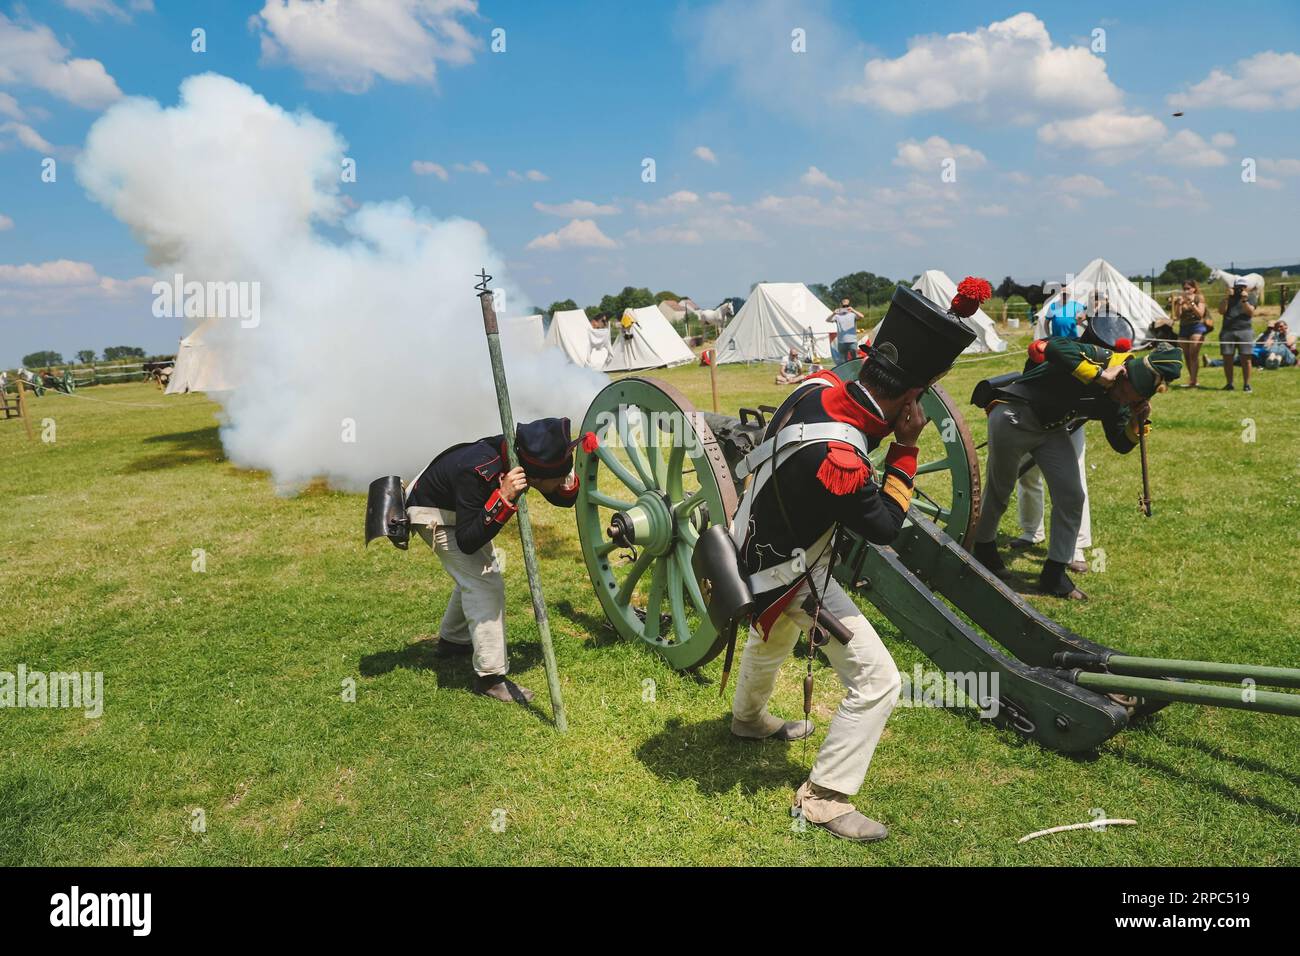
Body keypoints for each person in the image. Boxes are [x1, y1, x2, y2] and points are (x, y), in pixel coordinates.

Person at [729, 280, 984, 842]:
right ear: (912, 397)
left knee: (772, 637)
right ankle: (823, 800)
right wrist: (908, 447)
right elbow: (886, 527)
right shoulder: (840, 458)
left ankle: (747, 720)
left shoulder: (816, 386)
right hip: (787, 570)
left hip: (750, 542)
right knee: (878, 680)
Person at [971, 339, 1183, 600]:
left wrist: (1137, 423)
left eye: (1133, 400)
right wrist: (1099, 374)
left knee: (1072, 496)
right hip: (1014, 415)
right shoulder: (1102, 359)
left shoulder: (1124, 396)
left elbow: (1120, 443)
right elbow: (1054, 348)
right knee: (1001, 488)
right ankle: (983, 546)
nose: (1125, 401)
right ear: (1124, 375)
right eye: (1127, 394)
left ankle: (1054, 573)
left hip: (1052, 430)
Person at [402, 418, 588, 703]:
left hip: (459, 508)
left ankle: (452, 641)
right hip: (434, 511)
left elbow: (562, 496)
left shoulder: (533, 452)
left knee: (476, 574)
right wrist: (503, 497)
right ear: (533, 478)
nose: (562, 477)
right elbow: (467, 540)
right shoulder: (478, 470)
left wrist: (565, 475)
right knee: (485, 583)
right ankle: (489, 677)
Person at [1219, 278, 1256, 392]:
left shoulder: (1251, 297)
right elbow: (1221, 311)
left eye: (1243, 287)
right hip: (1228, 331)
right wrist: (1226, 298)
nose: (1240, 290)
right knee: (1227, 358)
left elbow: (1250, 313)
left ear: (1246, 288)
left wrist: (1244, 300)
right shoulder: (1228, 297)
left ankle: (1247, 384)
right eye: (1238, 287)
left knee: (1246, 359)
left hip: (1245, 330)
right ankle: (1229, 384)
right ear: (1234, 288)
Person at [1173, 280, 1208, 387]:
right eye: (1184, 288)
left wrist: (1191, 303)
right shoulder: (1180, 299)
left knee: (1193, 354)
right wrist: (1179, 304)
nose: (1186, 290)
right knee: (1187, 355)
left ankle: (1194, 380)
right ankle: (1192, 380)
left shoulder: (1199, 298)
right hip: (1183, 328)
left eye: (1188, 288)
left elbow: (1200, 314)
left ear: (1194, 288)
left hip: (1197, 327)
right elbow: (1178, 316)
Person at [828, 298, 863, 363]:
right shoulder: (837, 316)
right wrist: (833, 313)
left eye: (847, 306)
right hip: (841, 342)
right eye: (844, 306)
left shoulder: (853, 314)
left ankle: (856, 371)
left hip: (852, 341)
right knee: (843, 361)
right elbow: (827, 320)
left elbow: (861, 316)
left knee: (855, 360)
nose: (845, 308)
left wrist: (853, 310)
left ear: (849, 306)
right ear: (841, 306)